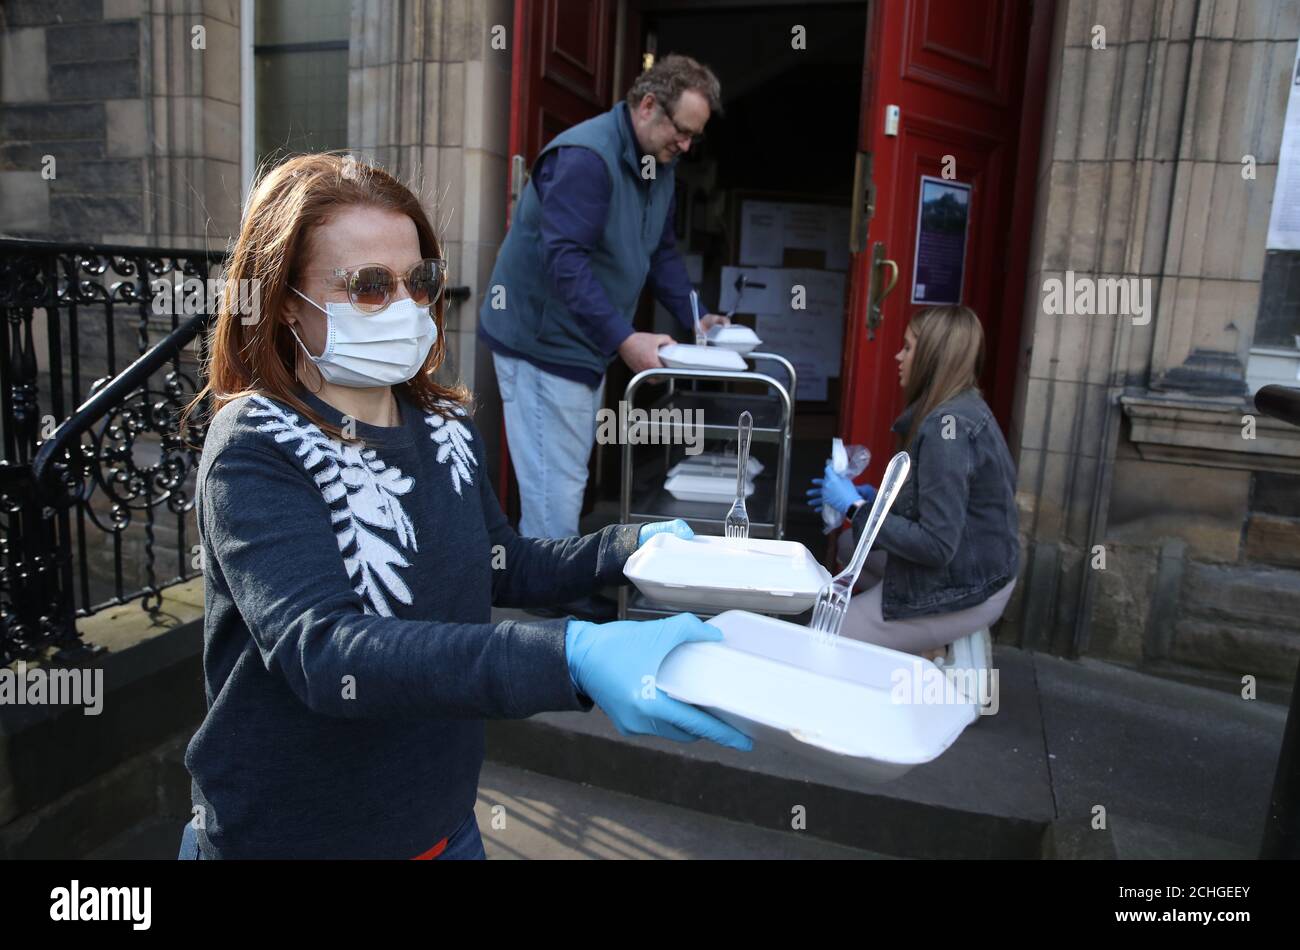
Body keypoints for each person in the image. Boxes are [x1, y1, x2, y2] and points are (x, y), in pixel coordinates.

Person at [176, 153, 750, 860]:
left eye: (419, 282)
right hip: (293, 838)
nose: (406, 306)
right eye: (367, 286)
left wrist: (632, 549)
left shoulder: (443, 424)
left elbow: (503, 563)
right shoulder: (257, 444)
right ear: (286, 299)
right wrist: (568, 653)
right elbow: (323, 650)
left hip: (441, 825)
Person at [478, 54, 729, 555]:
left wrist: (694, 317)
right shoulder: (585, 159)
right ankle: (549, 603)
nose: (685, 145)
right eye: (681, 131)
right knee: (555, 482)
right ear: (649, 106)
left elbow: (660, 251)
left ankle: (559, 580)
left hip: (582, 343)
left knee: (566, 471)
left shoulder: (661, 163)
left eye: (693, 138)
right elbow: (565, 263)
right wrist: (624, 337)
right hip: (541, 341)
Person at [807, 305, 1019, 659]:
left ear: (932, 357)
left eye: (907, 348)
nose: (898, 355)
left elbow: (936, 545)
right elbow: (946, 506)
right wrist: (877, 501)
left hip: (965, 584)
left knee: (826, 630)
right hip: (977, 566)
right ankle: (924, 642)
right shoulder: (964, 406)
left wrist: (857, 508)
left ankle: (924, 645)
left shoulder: (945, 431)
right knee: (850, 543)